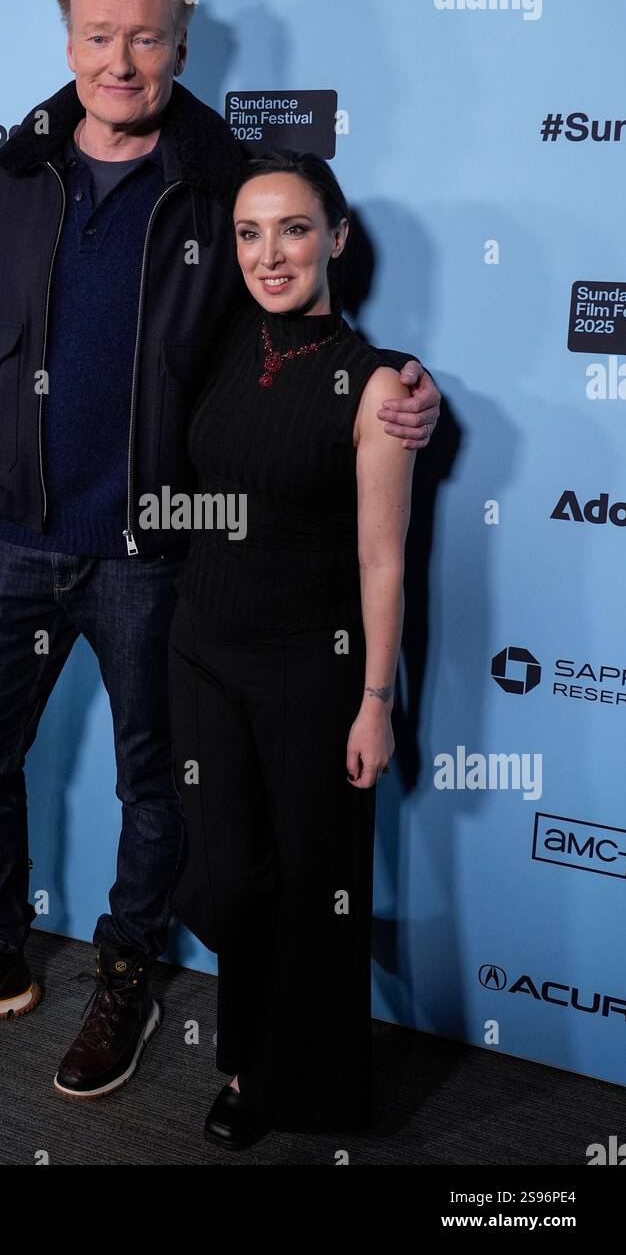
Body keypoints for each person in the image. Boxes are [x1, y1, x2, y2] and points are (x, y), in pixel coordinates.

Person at [0, 0, 440, 1102]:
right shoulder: (10, 173)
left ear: (179, 44)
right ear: (67, 35)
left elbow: (294, 319)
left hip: (150, 551)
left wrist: (401, 386)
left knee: (152, 787)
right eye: (97, 36)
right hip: (20, 533)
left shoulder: (222, 182)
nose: (119, 60)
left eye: (145, 37)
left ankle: (125, 973)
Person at [167, 147, 415, 1147]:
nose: (270, 254)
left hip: (309, 667)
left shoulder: (376, 386)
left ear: (336, 240)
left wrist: (374, 699)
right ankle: (252, 1047)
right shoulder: (218, 338)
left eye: (294, 229)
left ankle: (263, 1081)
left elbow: (382, 561)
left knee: (316, 881)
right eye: (249, 232)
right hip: (197, 651)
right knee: (226, 876)